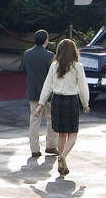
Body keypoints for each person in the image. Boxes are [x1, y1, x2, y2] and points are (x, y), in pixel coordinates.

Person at [35, 37, 90, 177]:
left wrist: (40, 105)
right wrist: (85, 103)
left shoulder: (54, 66)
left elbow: (47, 86)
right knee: (73, 133)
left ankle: (61, 156)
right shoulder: (77, 66)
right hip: (71, 100)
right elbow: (83, 87)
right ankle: (63, 156)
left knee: (61, 133)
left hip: (57, 100)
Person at [22, 29, 55, 159]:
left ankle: (34, 148)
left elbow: (24, 69)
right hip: (47, 92)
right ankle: (51, 145)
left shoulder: (27, 54)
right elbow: (52, 74)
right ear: (46, 40)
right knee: (51, 119)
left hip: (33, 90)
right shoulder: (50, 55)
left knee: (34, 119)